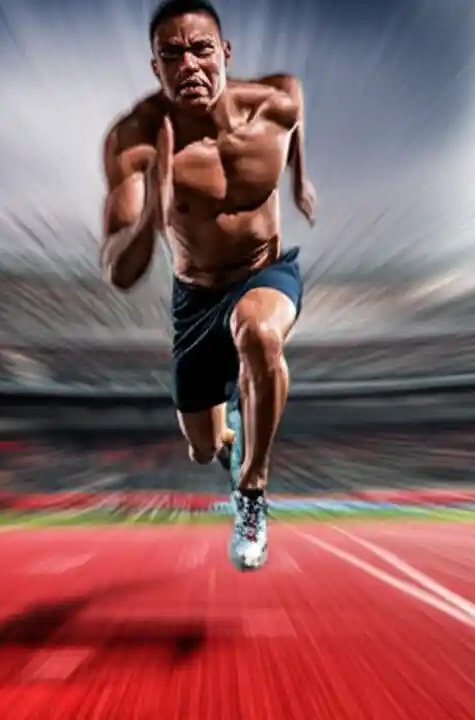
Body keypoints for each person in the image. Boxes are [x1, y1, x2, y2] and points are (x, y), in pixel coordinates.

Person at [99, 0, 315, 570]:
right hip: (195, 296)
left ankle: (250, 494)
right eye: (172, 54)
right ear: (155, 67)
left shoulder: (275, 105)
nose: (189, 65)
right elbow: (119, 272)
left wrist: (299, 181)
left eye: (200, 49)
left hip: (265, 271)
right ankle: (228, 441)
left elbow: (297, 105)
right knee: (200, 450)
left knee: (258, 334)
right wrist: (154, 214)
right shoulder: (135, 143)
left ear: (225, 53)